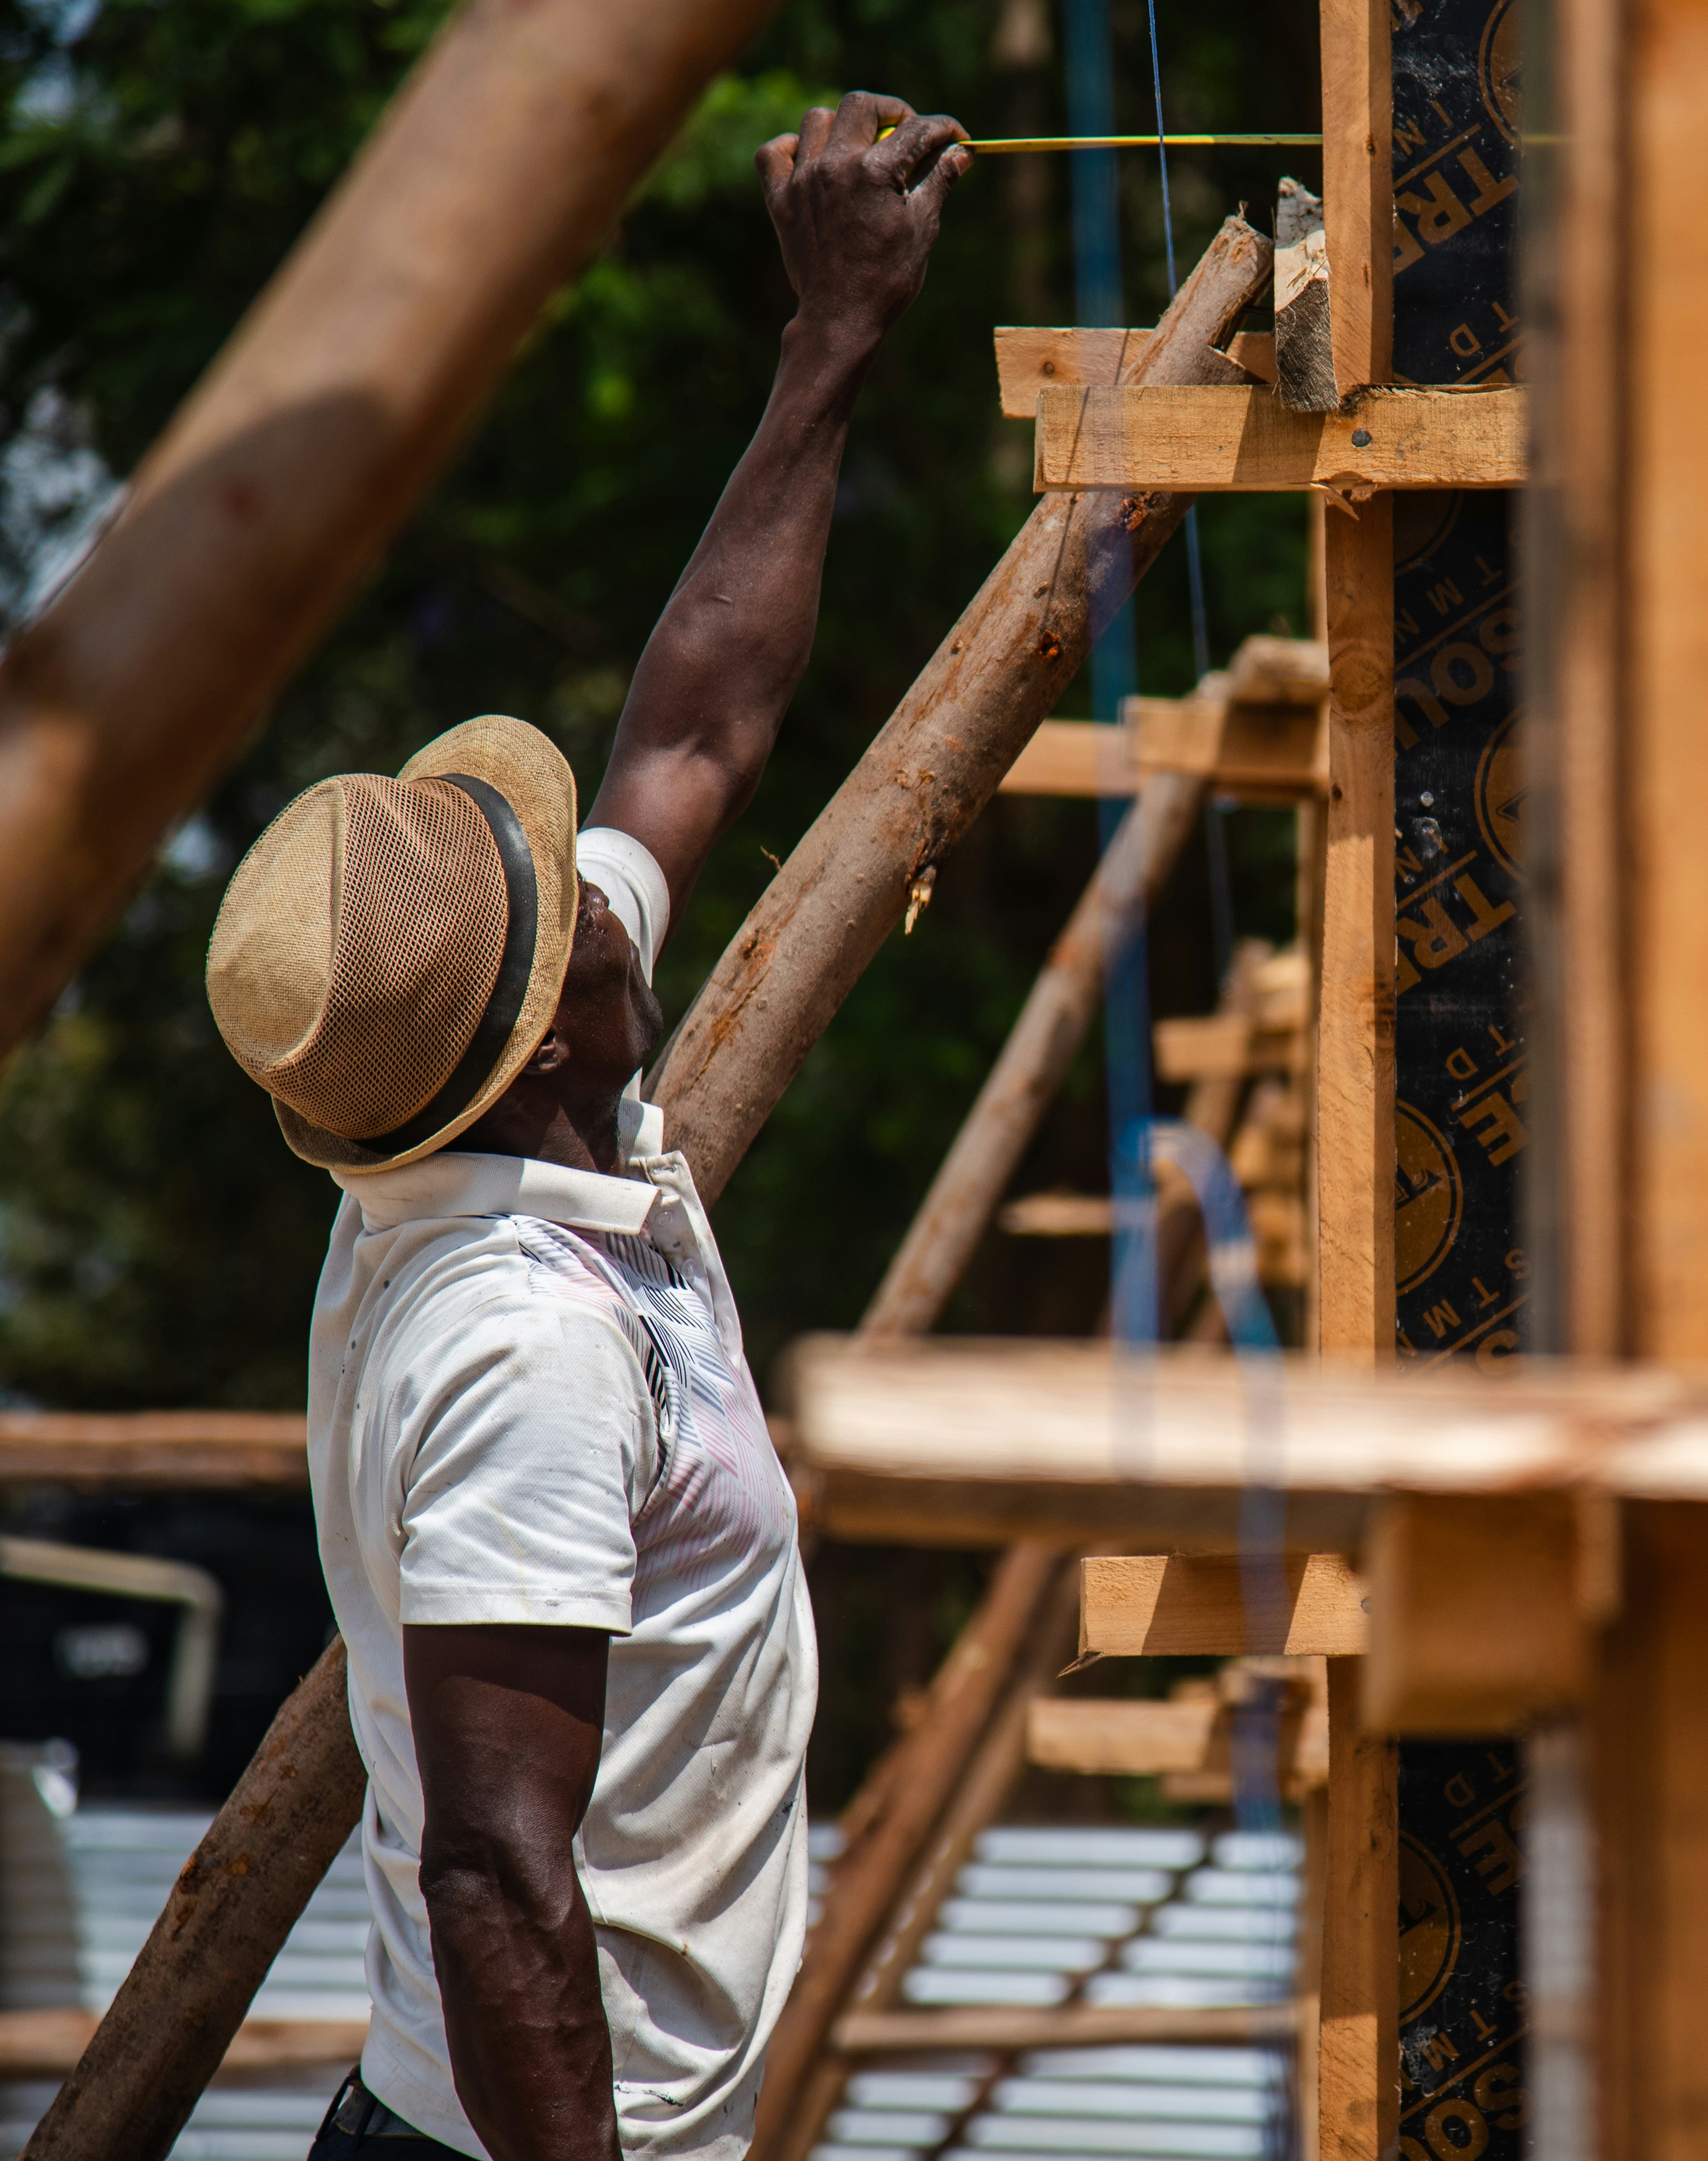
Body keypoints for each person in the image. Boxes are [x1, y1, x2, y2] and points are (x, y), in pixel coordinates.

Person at [204, 92, 970, 2161]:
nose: (606, 876)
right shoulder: (516, 1335)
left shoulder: (532, 1108)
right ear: (552, 1035)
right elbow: (492, 1873)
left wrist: (832, 337)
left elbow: (698, 721)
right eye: (566, 897)